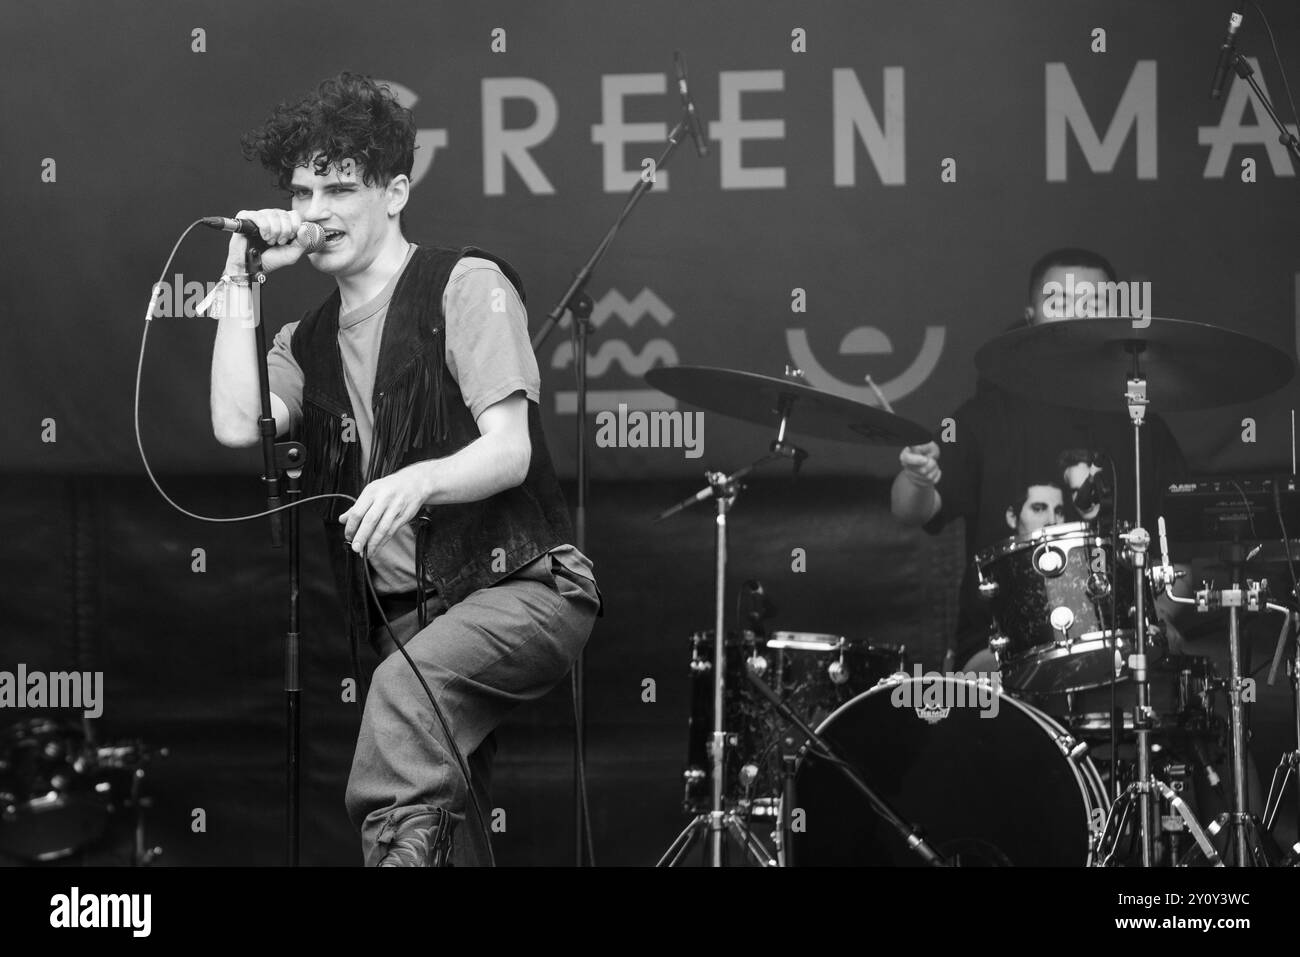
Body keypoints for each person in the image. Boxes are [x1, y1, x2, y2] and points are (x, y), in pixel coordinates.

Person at [205, 73, 600, 866]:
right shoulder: (302, 342)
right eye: (303, 190)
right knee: (446, 824)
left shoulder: (464, 285)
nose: (316, 209)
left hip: (523, 587)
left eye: (340, 186)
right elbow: (232, 423)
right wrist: (242, 272)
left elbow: (509, 448)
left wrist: (416, 479)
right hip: (410, 623)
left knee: (398, 698)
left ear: (395, 192)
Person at [890, 248, 1188, 671]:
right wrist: (916, 480)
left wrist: (1161, 617)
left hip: (1126, 637)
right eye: (1059, 302)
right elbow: (908, 512)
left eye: (1092, 304)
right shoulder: (984, 416)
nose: (1074, 315)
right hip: (1006, 647)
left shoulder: (1141, 421)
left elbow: (1188, 554)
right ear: (1031, 315)